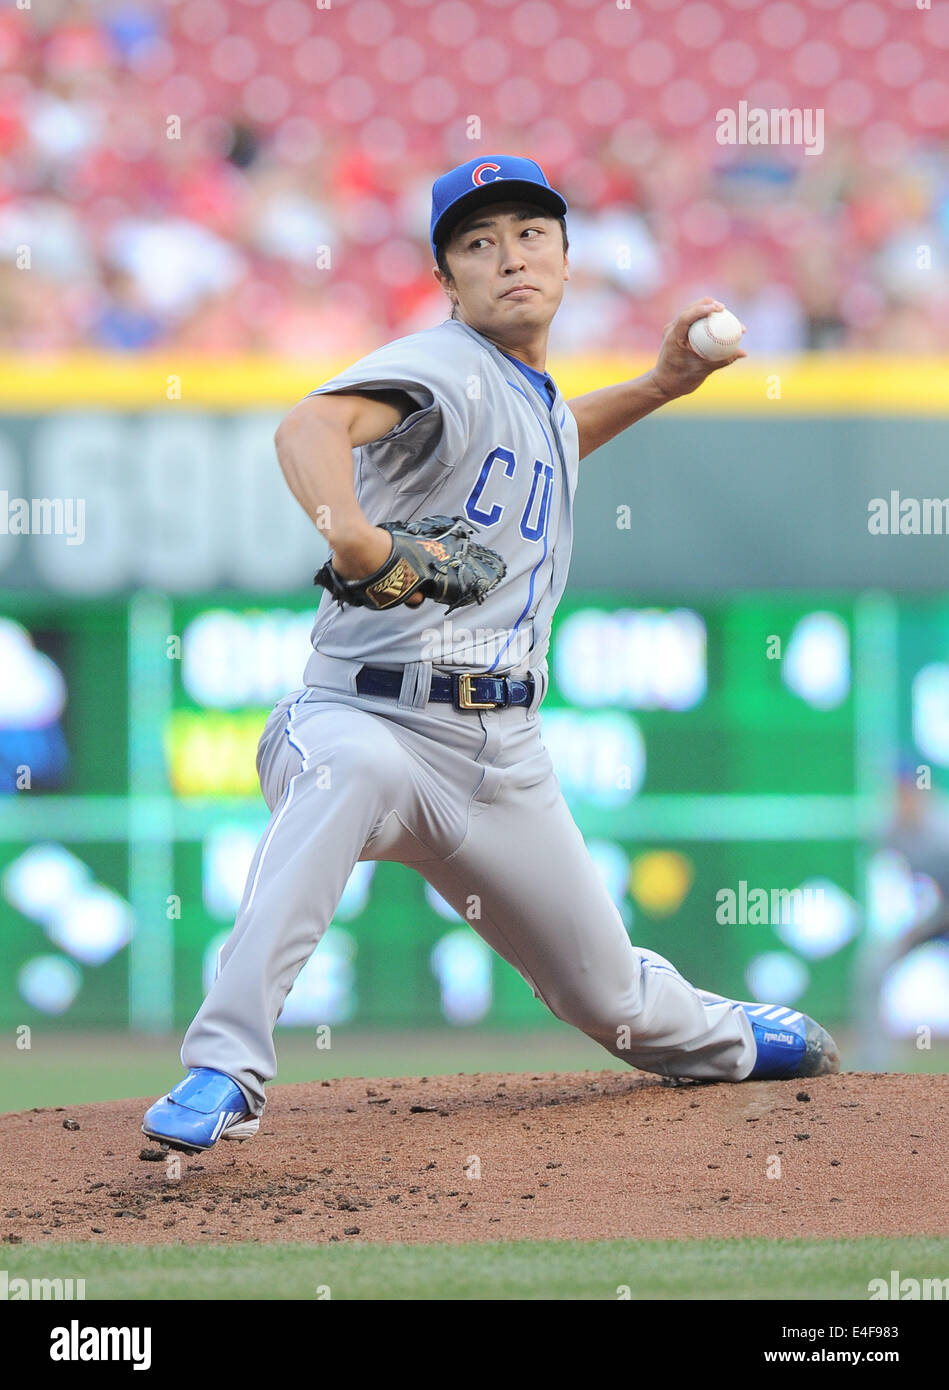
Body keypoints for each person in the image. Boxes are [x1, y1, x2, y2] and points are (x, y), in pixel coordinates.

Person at [143, 155, 838, 1155]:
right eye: (477, 243)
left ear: (563, 254)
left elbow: (555, 434)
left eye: (529, 234)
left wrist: (656, 385)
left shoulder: (528, 395)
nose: (508, 256)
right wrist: (352, 535)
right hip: (366, 714)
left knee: (617, 1003)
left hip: (501, 753)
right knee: (347, 772)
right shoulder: (446, 365)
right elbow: (312, 424)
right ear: (447, 279)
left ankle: (719, 1034)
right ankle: (226, 1064)